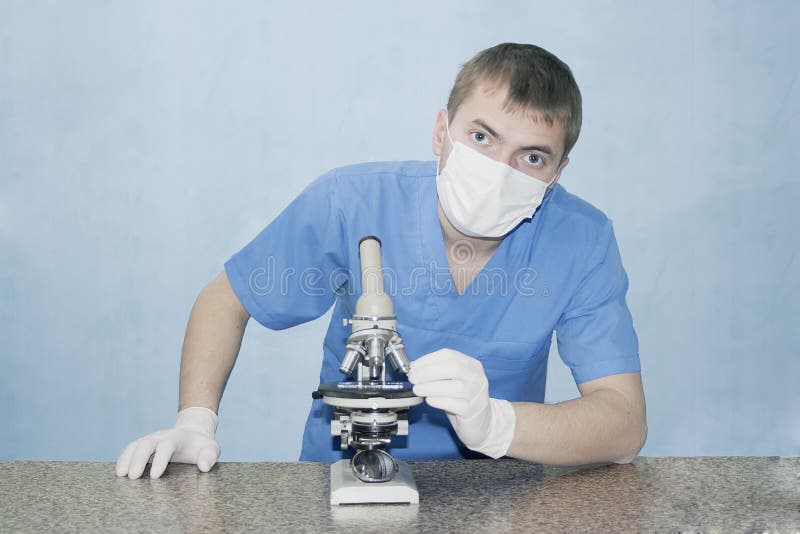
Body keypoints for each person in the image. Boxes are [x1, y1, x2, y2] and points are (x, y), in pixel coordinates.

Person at [116, 42, 647, 480]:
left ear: (556, 173)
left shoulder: (582, 241)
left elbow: (623, 423)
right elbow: (226, 299)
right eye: (481, 137)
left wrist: (496, 425)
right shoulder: (354, 202)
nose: (497, 170)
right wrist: (194, 422)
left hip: (501, 488)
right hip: (340, 477)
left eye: (531, 157)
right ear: (442, 133)